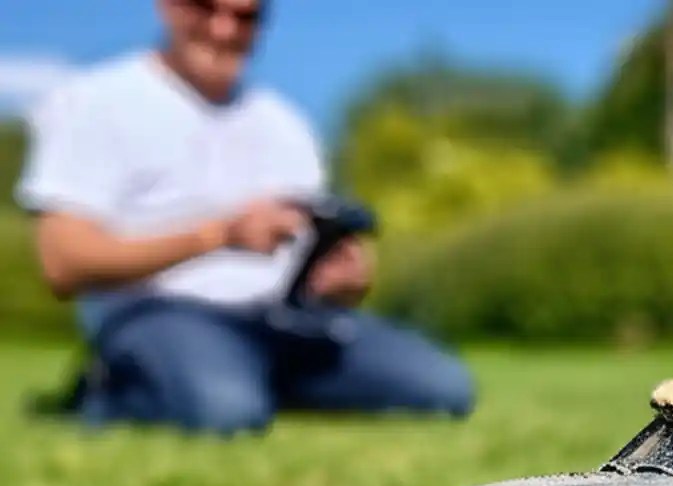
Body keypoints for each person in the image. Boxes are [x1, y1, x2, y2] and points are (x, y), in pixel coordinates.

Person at [14, 0, 475, 434]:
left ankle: (239, 381)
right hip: (156, 312)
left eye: (245, 16)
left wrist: (336, 281)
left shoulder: (283, 121)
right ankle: (112, 388)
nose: (223, 29)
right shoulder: (97, 101)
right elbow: (63, 262)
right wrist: (219, 235)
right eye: (205, 7)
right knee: (224, 411)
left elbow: (301, 255)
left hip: (281, 320)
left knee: (444, 388)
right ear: (167, 7)